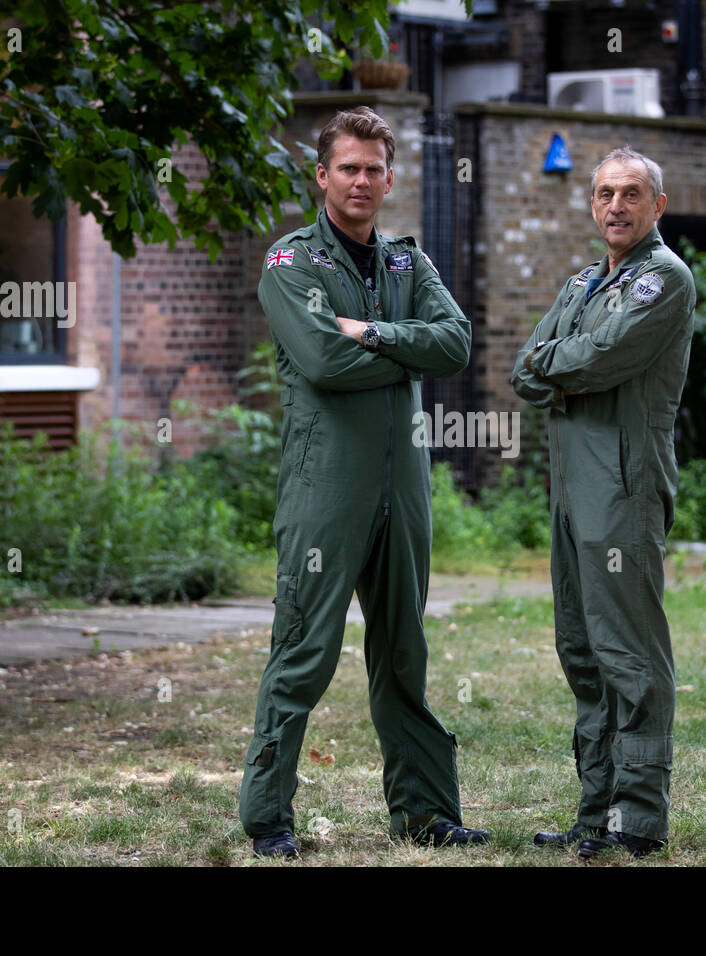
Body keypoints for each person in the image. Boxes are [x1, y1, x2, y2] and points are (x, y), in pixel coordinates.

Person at [241, 106, 488, 858]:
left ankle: (424, 812)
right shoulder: (292, 263)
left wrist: (373, 332)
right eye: (346, 167)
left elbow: (456, 345)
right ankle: (267, 817)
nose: (360, 180)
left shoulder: (409, 263)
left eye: (374, 169)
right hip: (327, 490)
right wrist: (402, 350)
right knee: (304, 650)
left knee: (404, 653)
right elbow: (321, 361)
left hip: (403, 489)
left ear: (389, 177)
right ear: (321, 176)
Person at [510, 147, 696, 860]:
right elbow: (524, 367)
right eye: (604, 194)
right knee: (582, 653)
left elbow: (597, 359)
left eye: (630, 193)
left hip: (622, 489)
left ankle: (639, 819)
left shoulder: (665, 279)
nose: (615, 206)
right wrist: (559, 359)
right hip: (569, 494)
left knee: (629, 656)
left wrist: (558, 360)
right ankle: (594, 815)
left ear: (658, 204)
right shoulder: (586, 282)